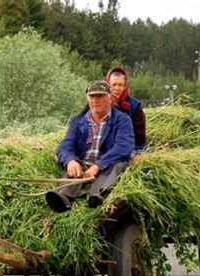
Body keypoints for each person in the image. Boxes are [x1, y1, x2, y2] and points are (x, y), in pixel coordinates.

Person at [45, 80, 134, 212]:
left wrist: (98, 166)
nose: (95, 100)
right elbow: (65, 146)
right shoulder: (78, 121)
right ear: (88, 99)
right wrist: (70, 161)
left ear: (109, 97)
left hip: (107, 164)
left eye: (100, 96)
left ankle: (96, 196)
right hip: (84, 164)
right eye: (92, 96)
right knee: (72, 170)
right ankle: (64, 197)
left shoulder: (122, 120)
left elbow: (123, 147)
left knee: (118, 166)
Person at [106, 66, 146, 153]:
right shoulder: (102, 103)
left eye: (120, 85)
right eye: (114, 85)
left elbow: (139, 139)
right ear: (108, 85)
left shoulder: (135, 106)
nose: (117, 88)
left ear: (125, 86)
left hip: (128, 148)